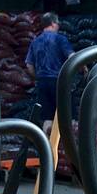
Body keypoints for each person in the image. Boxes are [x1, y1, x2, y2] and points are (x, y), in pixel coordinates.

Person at [25, 12, 74, 147]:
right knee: (64, 114)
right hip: (59, 82)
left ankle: (46, 149)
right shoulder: (60, 39)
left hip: (42, 82)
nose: (58, 26)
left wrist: (37, 77)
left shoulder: (35, 41)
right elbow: (72, 58)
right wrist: (84, 69)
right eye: (57, 23)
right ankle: (65, 147)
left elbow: (29, 65)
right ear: (53, 23)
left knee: (47, 117)